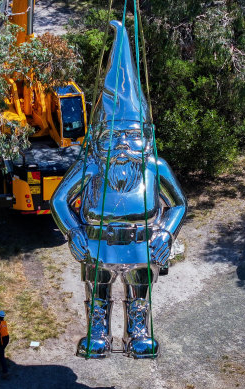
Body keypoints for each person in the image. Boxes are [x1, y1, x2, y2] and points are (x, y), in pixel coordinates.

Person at [50, 21, 187, 359]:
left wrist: (166, 234)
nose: (123, 145)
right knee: (97, 297)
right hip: (98, 245)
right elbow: (58, 200)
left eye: (130, 136)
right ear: (100, 137)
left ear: (144, 136)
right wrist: (74, 233)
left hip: (141, 246)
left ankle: (137, 336)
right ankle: (98, 335)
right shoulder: (92, 165)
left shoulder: (155, 167)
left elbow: (179, 204)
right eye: (114, 136)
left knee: (140, 295)